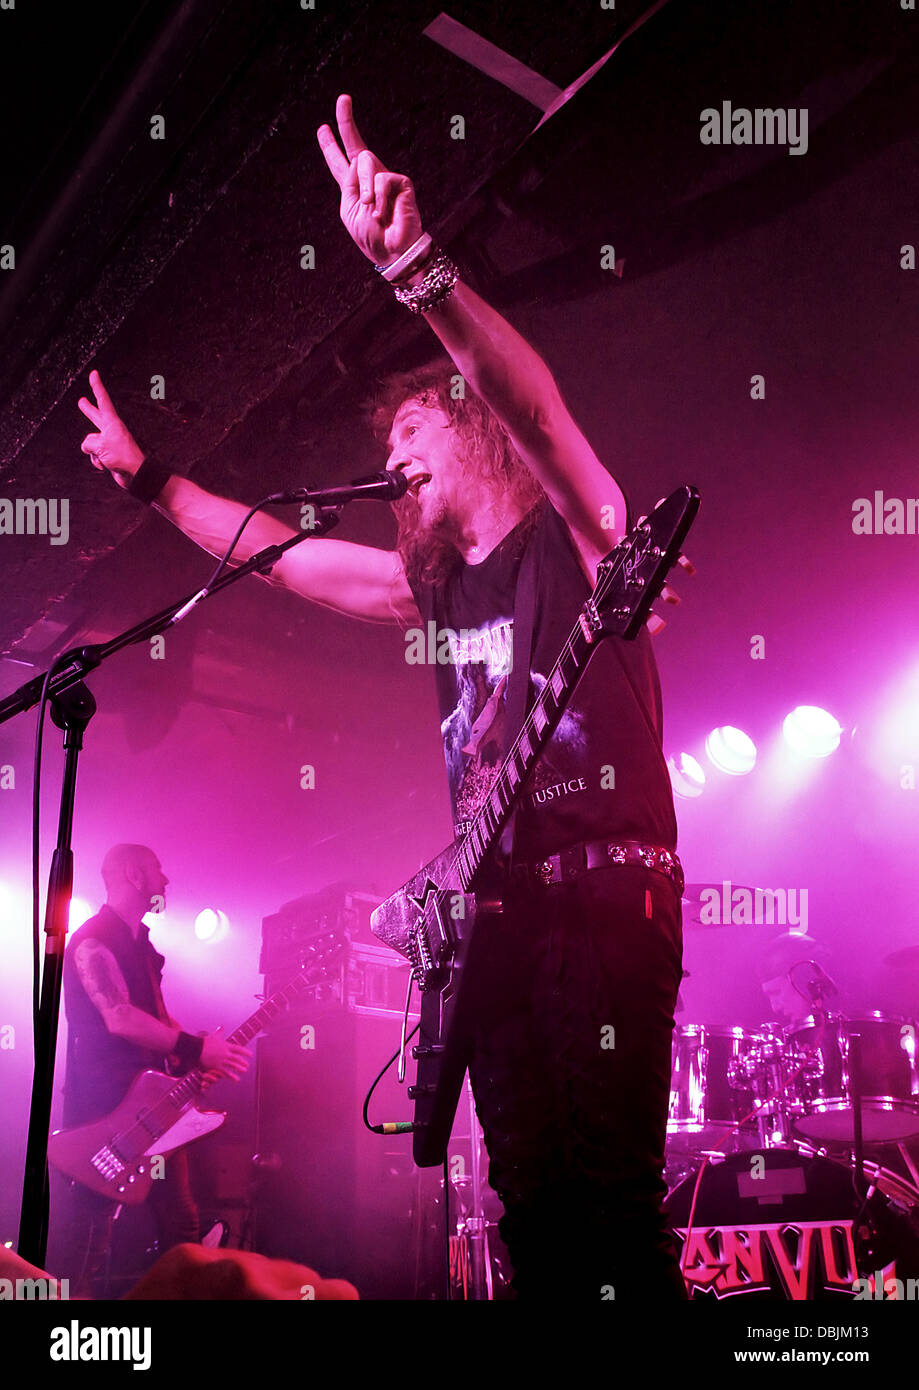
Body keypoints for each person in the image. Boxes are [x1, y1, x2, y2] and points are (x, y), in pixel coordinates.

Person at [76, 95, 686, 1300]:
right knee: (535, 1217)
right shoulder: (433, 589)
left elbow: (533, 404)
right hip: (494, 918)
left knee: (610, 1208)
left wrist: (417, 271)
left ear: (471, 433)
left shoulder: (574, 535)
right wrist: (152, 482)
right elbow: (283, 557)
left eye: (413, 427)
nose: (394, 455)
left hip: (602, 893)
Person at [56, 843, 250, 1295]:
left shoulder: (143, 946)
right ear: (134, 874)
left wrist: (194, 1054)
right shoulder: (92, 938)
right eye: (157, 869)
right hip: (104, 1109)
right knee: (88, 1237)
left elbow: (157, 1020)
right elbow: (119, 1017)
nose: (165, 879)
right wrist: (195, 1048)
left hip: (155, 1107)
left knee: (181, 1225)